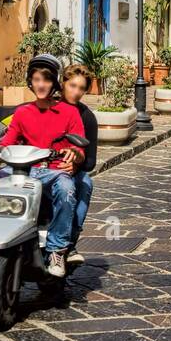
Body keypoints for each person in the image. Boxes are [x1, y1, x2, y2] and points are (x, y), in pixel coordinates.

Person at [0, 54, 84, 277]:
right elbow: (7, 143)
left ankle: (56, 250)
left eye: (46, 80)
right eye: (36, 79)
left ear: (54, 82)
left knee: (66, 188)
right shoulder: (23, 112)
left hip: (53, 171)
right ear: (31, 82)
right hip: (22, 170)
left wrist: (74, 154)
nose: (41, 85)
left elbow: (80, 149)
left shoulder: (70, 112)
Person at [58, 64, 99, 266]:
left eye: (81, 88)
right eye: (72, 85)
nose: (76, 92)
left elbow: (90, 160)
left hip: (72, 169)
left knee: (85, 184)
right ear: (63, 83)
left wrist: (75, 167)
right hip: (43, 165)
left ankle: (70, 241)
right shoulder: (48, 106)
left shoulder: (87, 117)